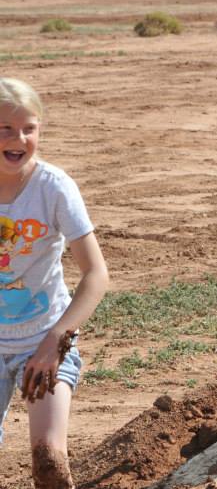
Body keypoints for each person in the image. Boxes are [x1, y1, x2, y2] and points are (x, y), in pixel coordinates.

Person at [0, 77, 109, 488]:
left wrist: (55, 342)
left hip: (41, 337)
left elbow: (96, 275)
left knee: (49, 460)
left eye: (29, 127)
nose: (19, 138)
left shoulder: (54, 188)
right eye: (5, 129)